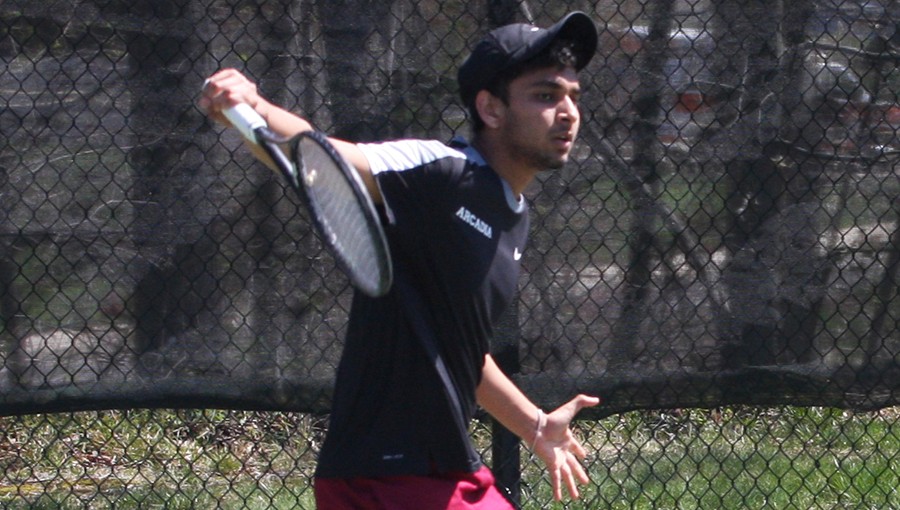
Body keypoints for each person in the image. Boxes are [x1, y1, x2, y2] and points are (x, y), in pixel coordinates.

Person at [199, 11, 601, 509]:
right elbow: (322, 160)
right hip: (385, 475)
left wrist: (535, 426)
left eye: (573, 97)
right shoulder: (441, 174)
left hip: (443, 469)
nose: (568, 112)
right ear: (491, 110)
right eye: (546, 95)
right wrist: (252, 104)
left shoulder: (513, 215)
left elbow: (461, 350)